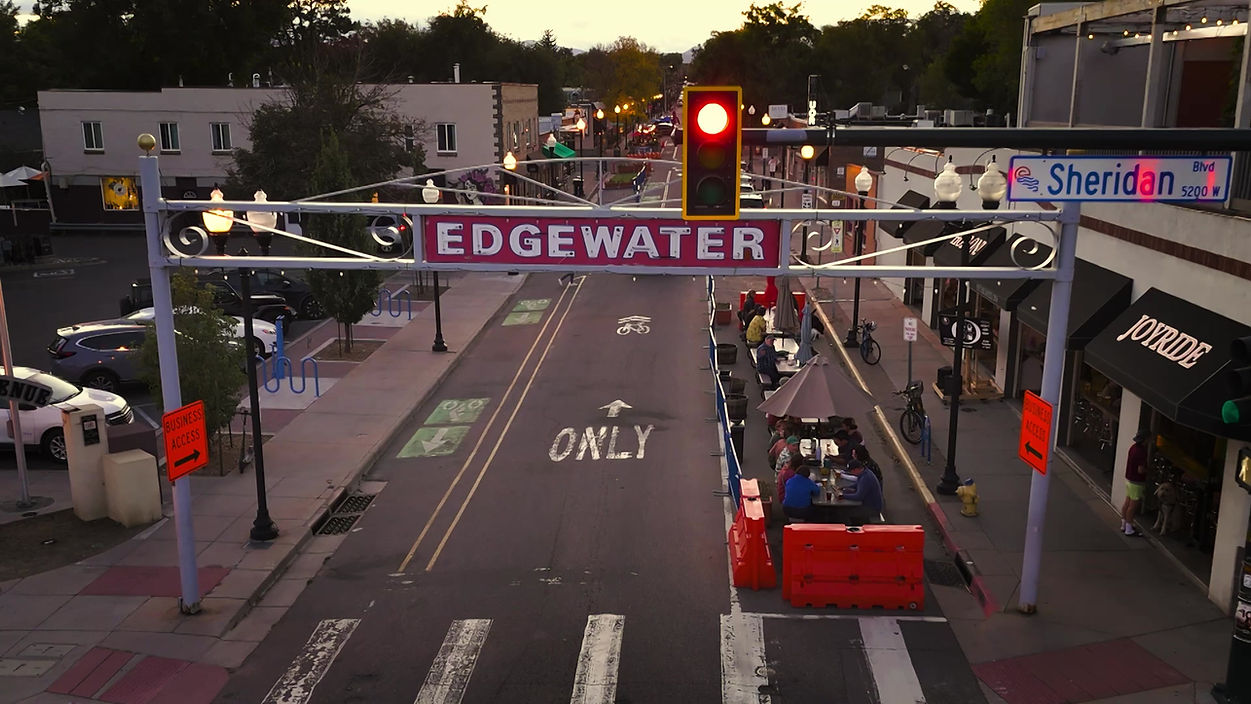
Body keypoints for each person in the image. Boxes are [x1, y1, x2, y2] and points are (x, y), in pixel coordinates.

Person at [1122, 430, 1150, 536]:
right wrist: (1149, 471)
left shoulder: (1133, 448)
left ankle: (1124, 524)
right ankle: (1129, 528)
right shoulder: (1142, 452)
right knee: (1133, 506)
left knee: (1127, 503)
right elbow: (1140, 470)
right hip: (1136, 482)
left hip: (1129, 479)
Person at [840, 460, 884, 525]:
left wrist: (843, 496)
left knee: (844, 513)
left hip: (872, 508)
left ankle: (852, 529)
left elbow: (858, 496)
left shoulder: (866, 478)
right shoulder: (864, 473)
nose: (851, 472)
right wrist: (845, 487)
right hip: (868, 504)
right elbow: (857, 484)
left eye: (852, 471)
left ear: (857, 469)